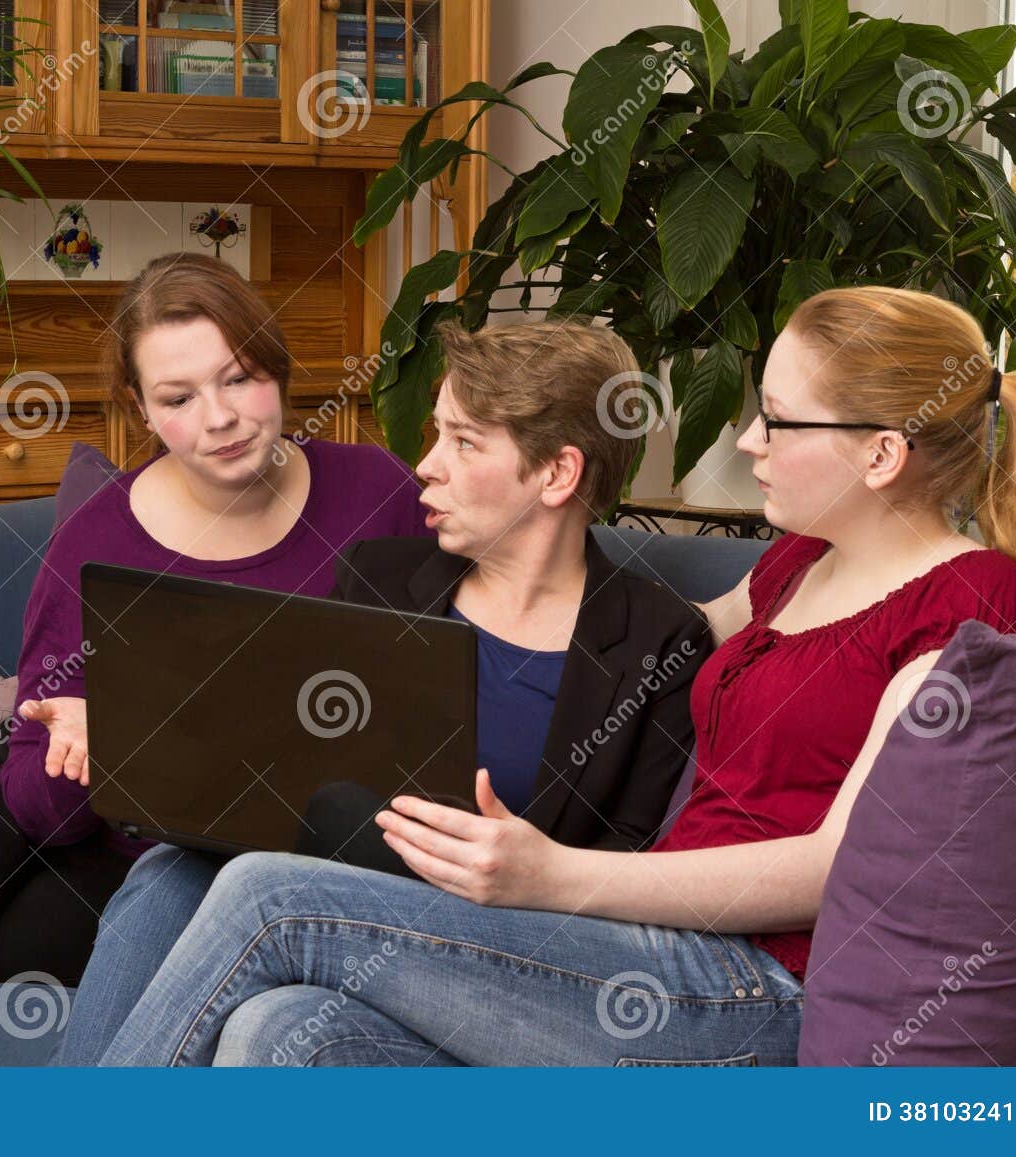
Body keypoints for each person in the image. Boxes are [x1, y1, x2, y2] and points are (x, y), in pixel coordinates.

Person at [86, 285, 1016, 1067]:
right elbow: (645, 635)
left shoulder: (970, 596)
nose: (750, 440)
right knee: (286, 1030)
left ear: (881, 455)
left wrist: (554, 875)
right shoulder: (795, 566)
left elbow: (832, 864)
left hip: (748, 991)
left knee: (269, 900)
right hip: (640, 953)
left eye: (780, 418)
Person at [0, 252, 432, 1065]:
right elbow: (40, 797)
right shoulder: (101, 535)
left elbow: (432, 690)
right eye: (179, 398)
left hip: (179, 852)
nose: (219, 417)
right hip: (83, 796)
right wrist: (97, 746)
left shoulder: (377, 494)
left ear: (278, 371)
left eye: (240, 378)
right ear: (143, 409)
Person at [52, 319, 713, 1063]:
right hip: (332, 897)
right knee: (171, 870)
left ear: (557, 473)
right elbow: (289, 765)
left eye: (464, 442)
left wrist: (521, 865)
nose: (426, 465)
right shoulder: (378, 576)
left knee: (260, 933)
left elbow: (625, 879)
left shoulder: (660, 641)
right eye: (436, 433)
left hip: (490, 950)